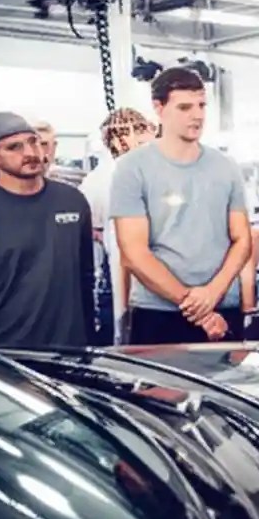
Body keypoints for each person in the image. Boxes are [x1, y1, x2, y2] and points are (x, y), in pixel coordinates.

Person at [110, 67, 251, 344]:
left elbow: (242, 238)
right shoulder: (132, 168)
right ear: (158, 108)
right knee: (160, 389)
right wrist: (197, 308)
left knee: (222, 386)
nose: (197, 115)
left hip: (222, 309)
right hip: (158, 312)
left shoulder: (226, 167)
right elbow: (134, 251)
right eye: (185, 107)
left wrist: (212, 293)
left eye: (201, 105)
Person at [0, 112, 97, 348]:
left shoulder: (72, 200)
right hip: (0, 353)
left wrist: (88, 342)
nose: (30, 153)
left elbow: (85, 278)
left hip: (67, 350)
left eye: (33, 141)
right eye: (14, 147)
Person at [78, 108, 158, 343]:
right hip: (121, 273)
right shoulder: (100, 179)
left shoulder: (159, 171)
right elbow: (92, 230)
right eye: (140, 133)